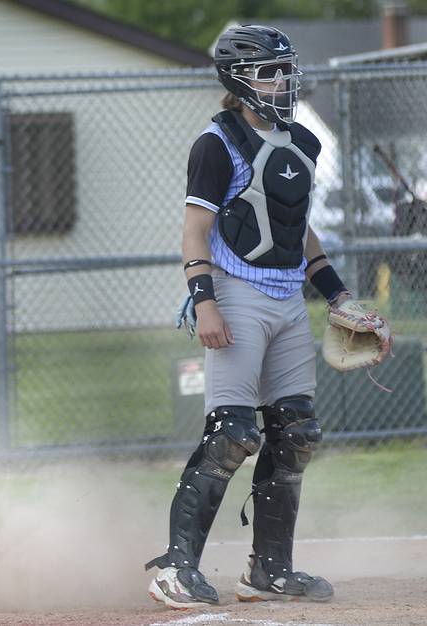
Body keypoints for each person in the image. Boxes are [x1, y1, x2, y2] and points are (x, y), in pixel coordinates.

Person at [144, 25, 354, 607]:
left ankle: (269, 570)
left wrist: (338, 296)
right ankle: (175, 566)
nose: (282, 82)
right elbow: (196, 229)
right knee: (232, 434)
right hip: (235, 294)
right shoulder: (218, 142)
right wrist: (204, 298)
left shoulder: (302, 142)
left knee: (296, 432)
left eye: (286, 71)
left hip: (289, 299)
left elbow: (297, 226)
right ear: (239, 80)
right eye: (269, 72)